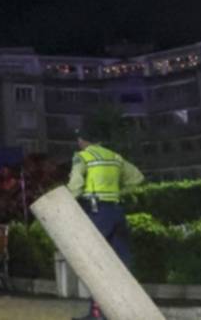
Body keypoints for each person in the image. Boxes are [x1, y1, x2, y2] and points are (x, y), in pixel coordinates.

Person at [67, 128, 145, 320]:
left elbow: (75, 186)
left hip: (97, 213)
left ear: (81, 140)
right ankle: (125, 311)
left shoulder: (82, 157)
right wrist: (119, 191)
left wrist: (66, 204)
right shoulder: (114, 156)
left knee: (96, 264)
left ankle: (97, 315)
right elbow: (137, 178)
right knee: (121, 264)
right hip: (116, 212)